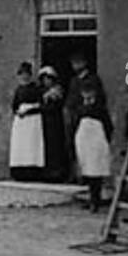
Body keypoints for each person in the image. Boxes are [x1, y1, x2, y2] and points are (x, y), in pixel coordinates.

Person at [63, 52, 106, 182]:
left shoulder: (93, 79)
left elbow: (99, 100)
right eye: (74, 63)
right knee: (72, 145)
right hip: (74, 117)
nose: (75, 66)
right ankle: (75, 174)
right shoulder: (74, 81)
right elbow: (70, 99)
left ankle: (88, 176)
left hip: (87, 117)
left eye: (78, 63)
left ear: (84, 63)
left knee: (88, 148)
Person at [72, 77, 113, 212]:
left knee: (97, 170)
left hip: (96, 140)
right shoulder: (80, 107)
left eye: (89, 92)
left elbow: (108, 125)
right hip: (84, 140)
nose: (87, 95)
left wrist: (104, 139)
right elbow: (76, 122)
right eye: (85, 92)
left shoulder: (100, 107)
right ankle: (91, 198)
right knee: (87, 170)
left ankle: (96, 199)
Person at [9, 62, 44, 181]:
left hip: (33, 121)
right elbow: (14, 105)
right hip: (21, 122)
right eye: (21, 74)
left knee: (31, 145)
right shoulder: (18, 89)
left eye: (26, 74)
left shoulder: (36, 89)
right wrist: (17, 112)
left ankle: (32, 172)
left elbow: (41, 104)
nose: (24, 77)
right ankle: (20, 172)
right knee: (20, 146)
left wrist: (29, 110)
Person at [37, 65, 68, 182]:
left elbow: (55, 106)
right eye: (44, 79)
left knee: (56, 146)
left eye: (49, 78)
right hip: (44, 122)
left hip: (55, 122)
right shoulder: (42, 92)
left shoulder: (57, 91)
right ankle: (47, 172)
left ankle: (58, 173)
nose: (46, 81)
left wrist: (43, 107)